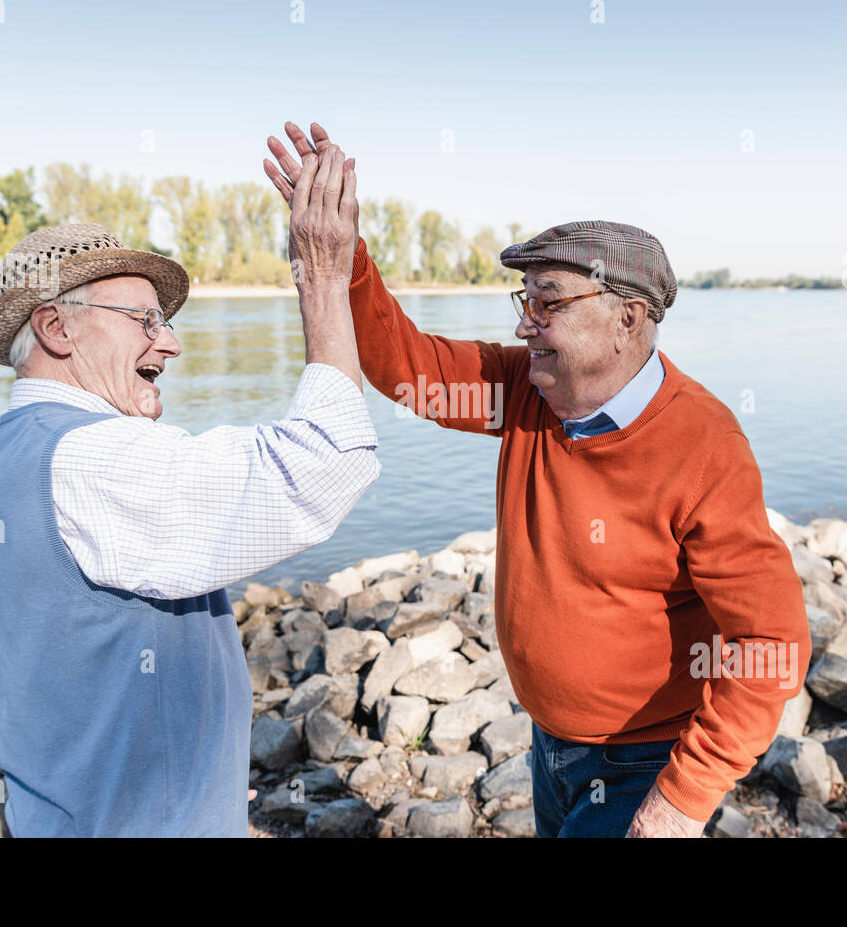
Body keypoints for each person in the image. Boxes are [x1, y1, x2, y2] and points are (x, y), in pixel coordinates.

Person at [264, 122, 810, 838]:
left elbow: (772, 642)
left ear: (628, 318)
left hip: (644, 762)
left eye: (547, 302)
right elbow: (405, 370)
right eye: (523, 301)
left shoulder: (704, 444)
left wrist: (683, 797)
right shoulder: (523, 390)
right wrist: (347, 252)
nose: (525, 326)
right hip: (548, 747)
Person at [0, 143, 377, 835]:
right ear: (57, 326)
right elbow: (324, 462)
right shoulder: (90, 458)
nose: (171, 344)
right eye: (146, 320)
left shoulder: (15, 446)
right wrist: (324, 278)